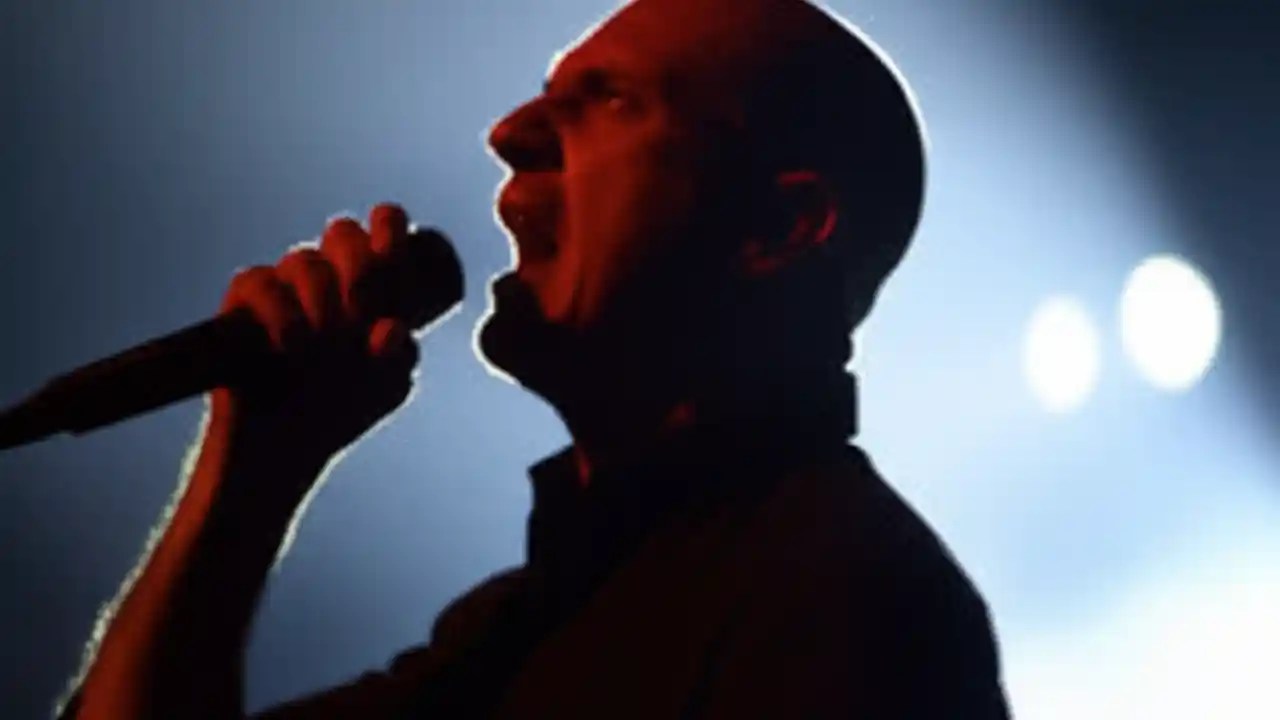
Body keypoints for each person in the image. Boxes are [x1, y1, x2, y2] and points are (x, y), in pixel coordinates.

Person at [59, 0, 1010, 717]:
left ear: (780, 225)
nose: (508, 133)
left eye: (612, 99)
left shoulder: (850, 600)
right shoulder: (510, 631)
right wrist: (251, 474)